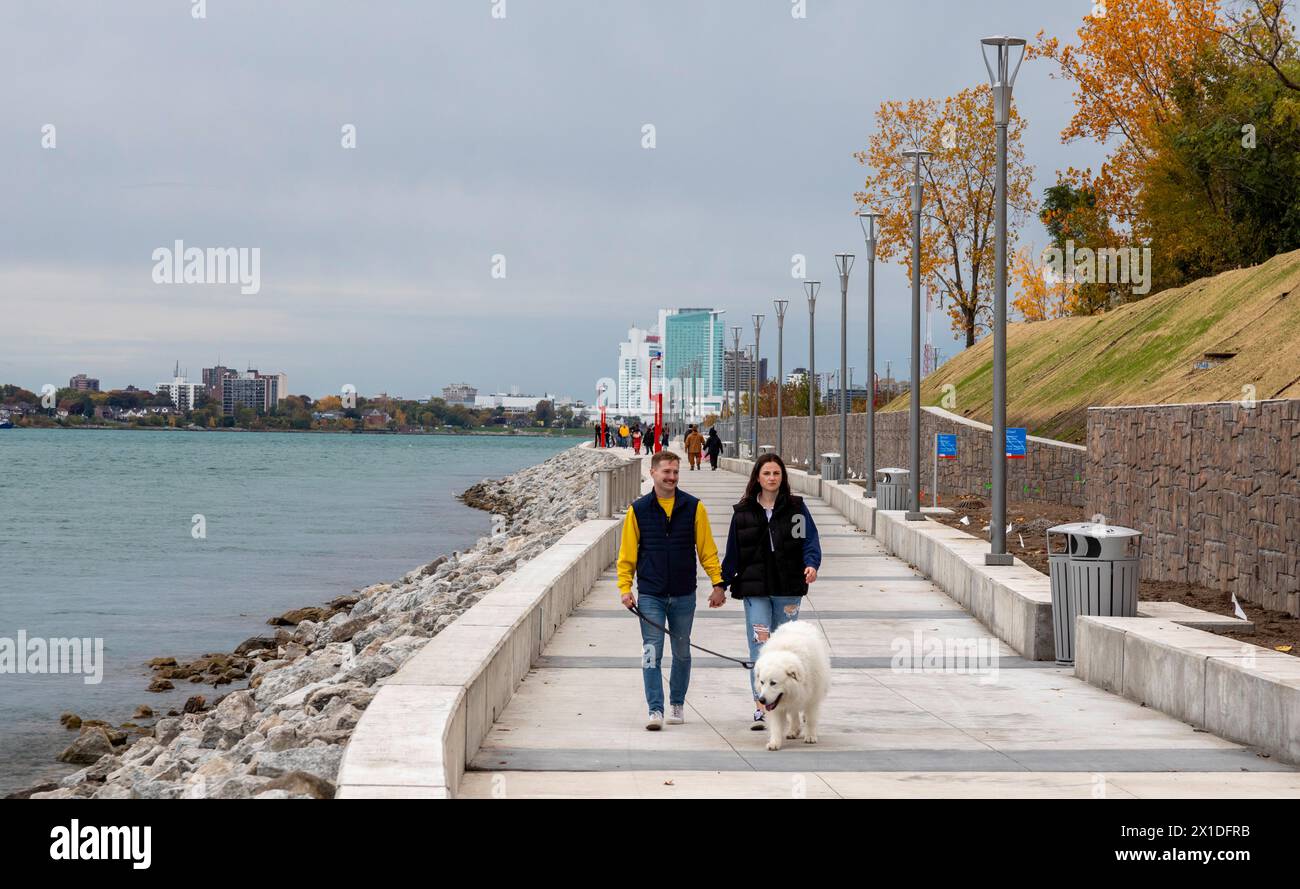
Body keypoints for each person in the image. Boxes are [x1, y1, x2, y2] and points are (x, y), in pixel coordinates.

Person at [618, 450, 726, 730]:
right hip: (651, 595)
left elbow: (707, 551)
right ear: (652, 473)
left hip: (683, 595)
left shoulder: (694, 507)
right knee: (651, 652)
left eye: (676, 472)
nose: (672, 477)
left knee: (682, 653)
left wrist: (718, 583)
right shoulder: (638, 510)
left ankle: (677, 702)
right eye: (666, 472)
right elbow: (627, 555)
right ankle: (655, 709)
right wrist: (625, 588)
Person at [716, 453, 822, 731]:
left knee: (787, 652)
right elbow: (733, 554)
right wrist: (721, 584)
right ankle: (762, 707)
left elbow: (809, 540)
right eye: (767, 474)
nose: (772, 478)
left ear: (782, 477)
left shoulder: (796, 509)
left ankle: (792, 704)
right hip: (756, 589)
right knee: (760, 647)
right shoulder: (743, 513)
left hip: (788, 589)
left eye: (776, 473)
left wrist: (811, 564)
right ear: (757, 478)